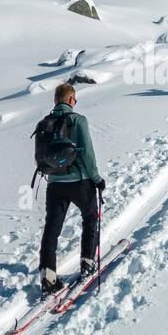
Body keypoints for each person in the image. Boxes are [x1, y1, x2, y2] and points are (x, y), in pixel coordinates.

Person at [37, 83, 105, 295]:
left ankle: (48, 276)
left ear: (55, 101)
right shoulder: (78, 120)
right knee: (91, 217)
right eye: (74, 99)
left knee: (52, 228)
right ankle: (87, 263)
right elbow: (87, 154)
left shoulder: (44, 123)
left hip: (55, 184)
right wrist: (97, 179)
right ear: (70, 99)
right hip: (80, 182)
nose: (75, 103)